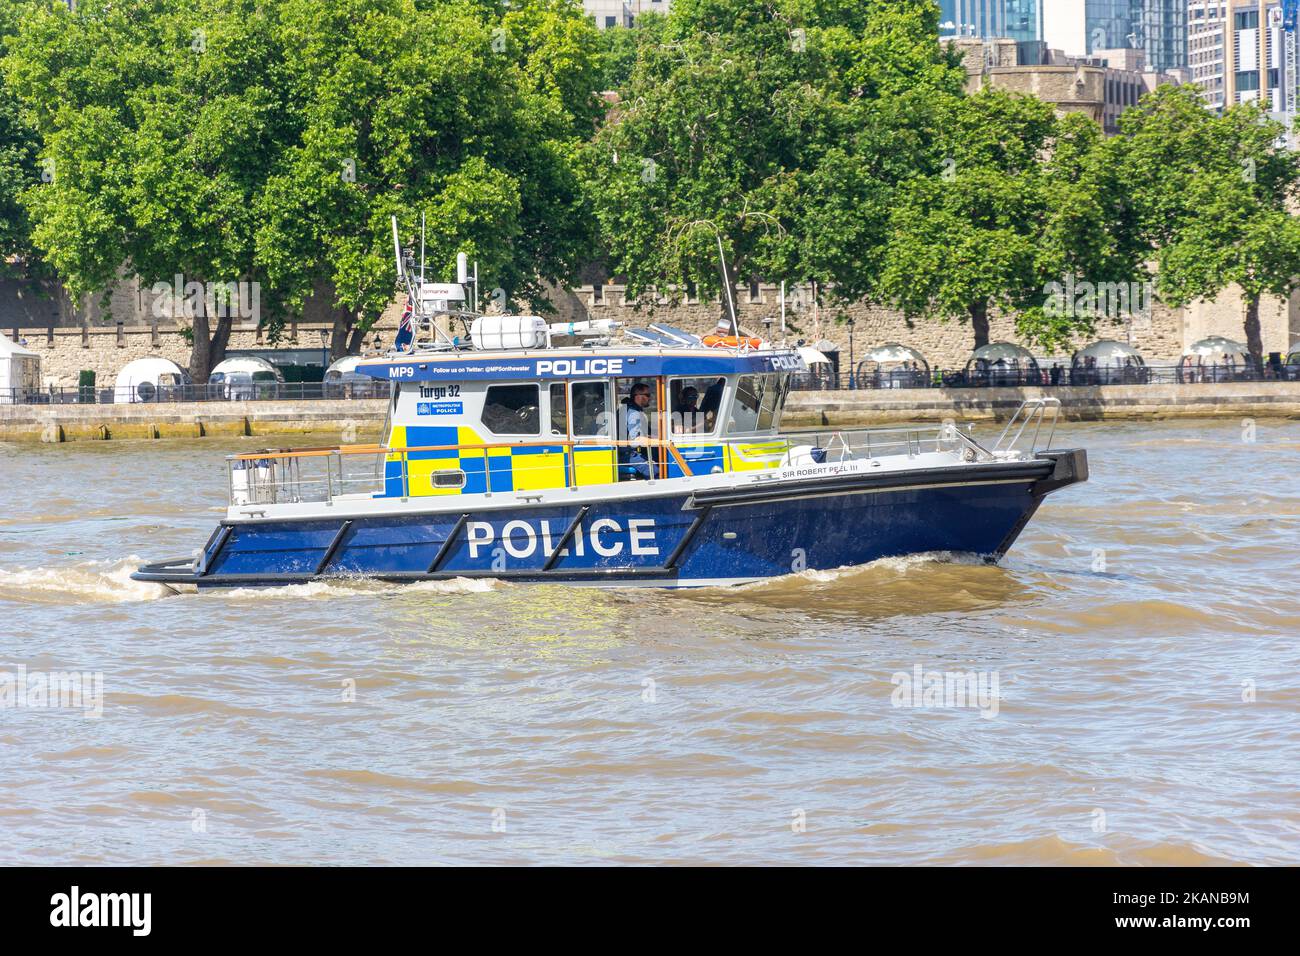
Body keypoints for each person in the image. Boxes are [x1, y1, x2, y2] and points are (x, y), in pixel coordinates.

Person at [618, 382, 653, 479]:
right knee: (656, 471)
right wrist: (653, 439)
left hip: (627, 453)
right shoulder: (634, 413)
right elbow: (636, 440)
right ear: (637, 396)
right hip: (628, 455)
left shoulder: (629, 409)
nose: (650, 398)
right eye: (647, 395)